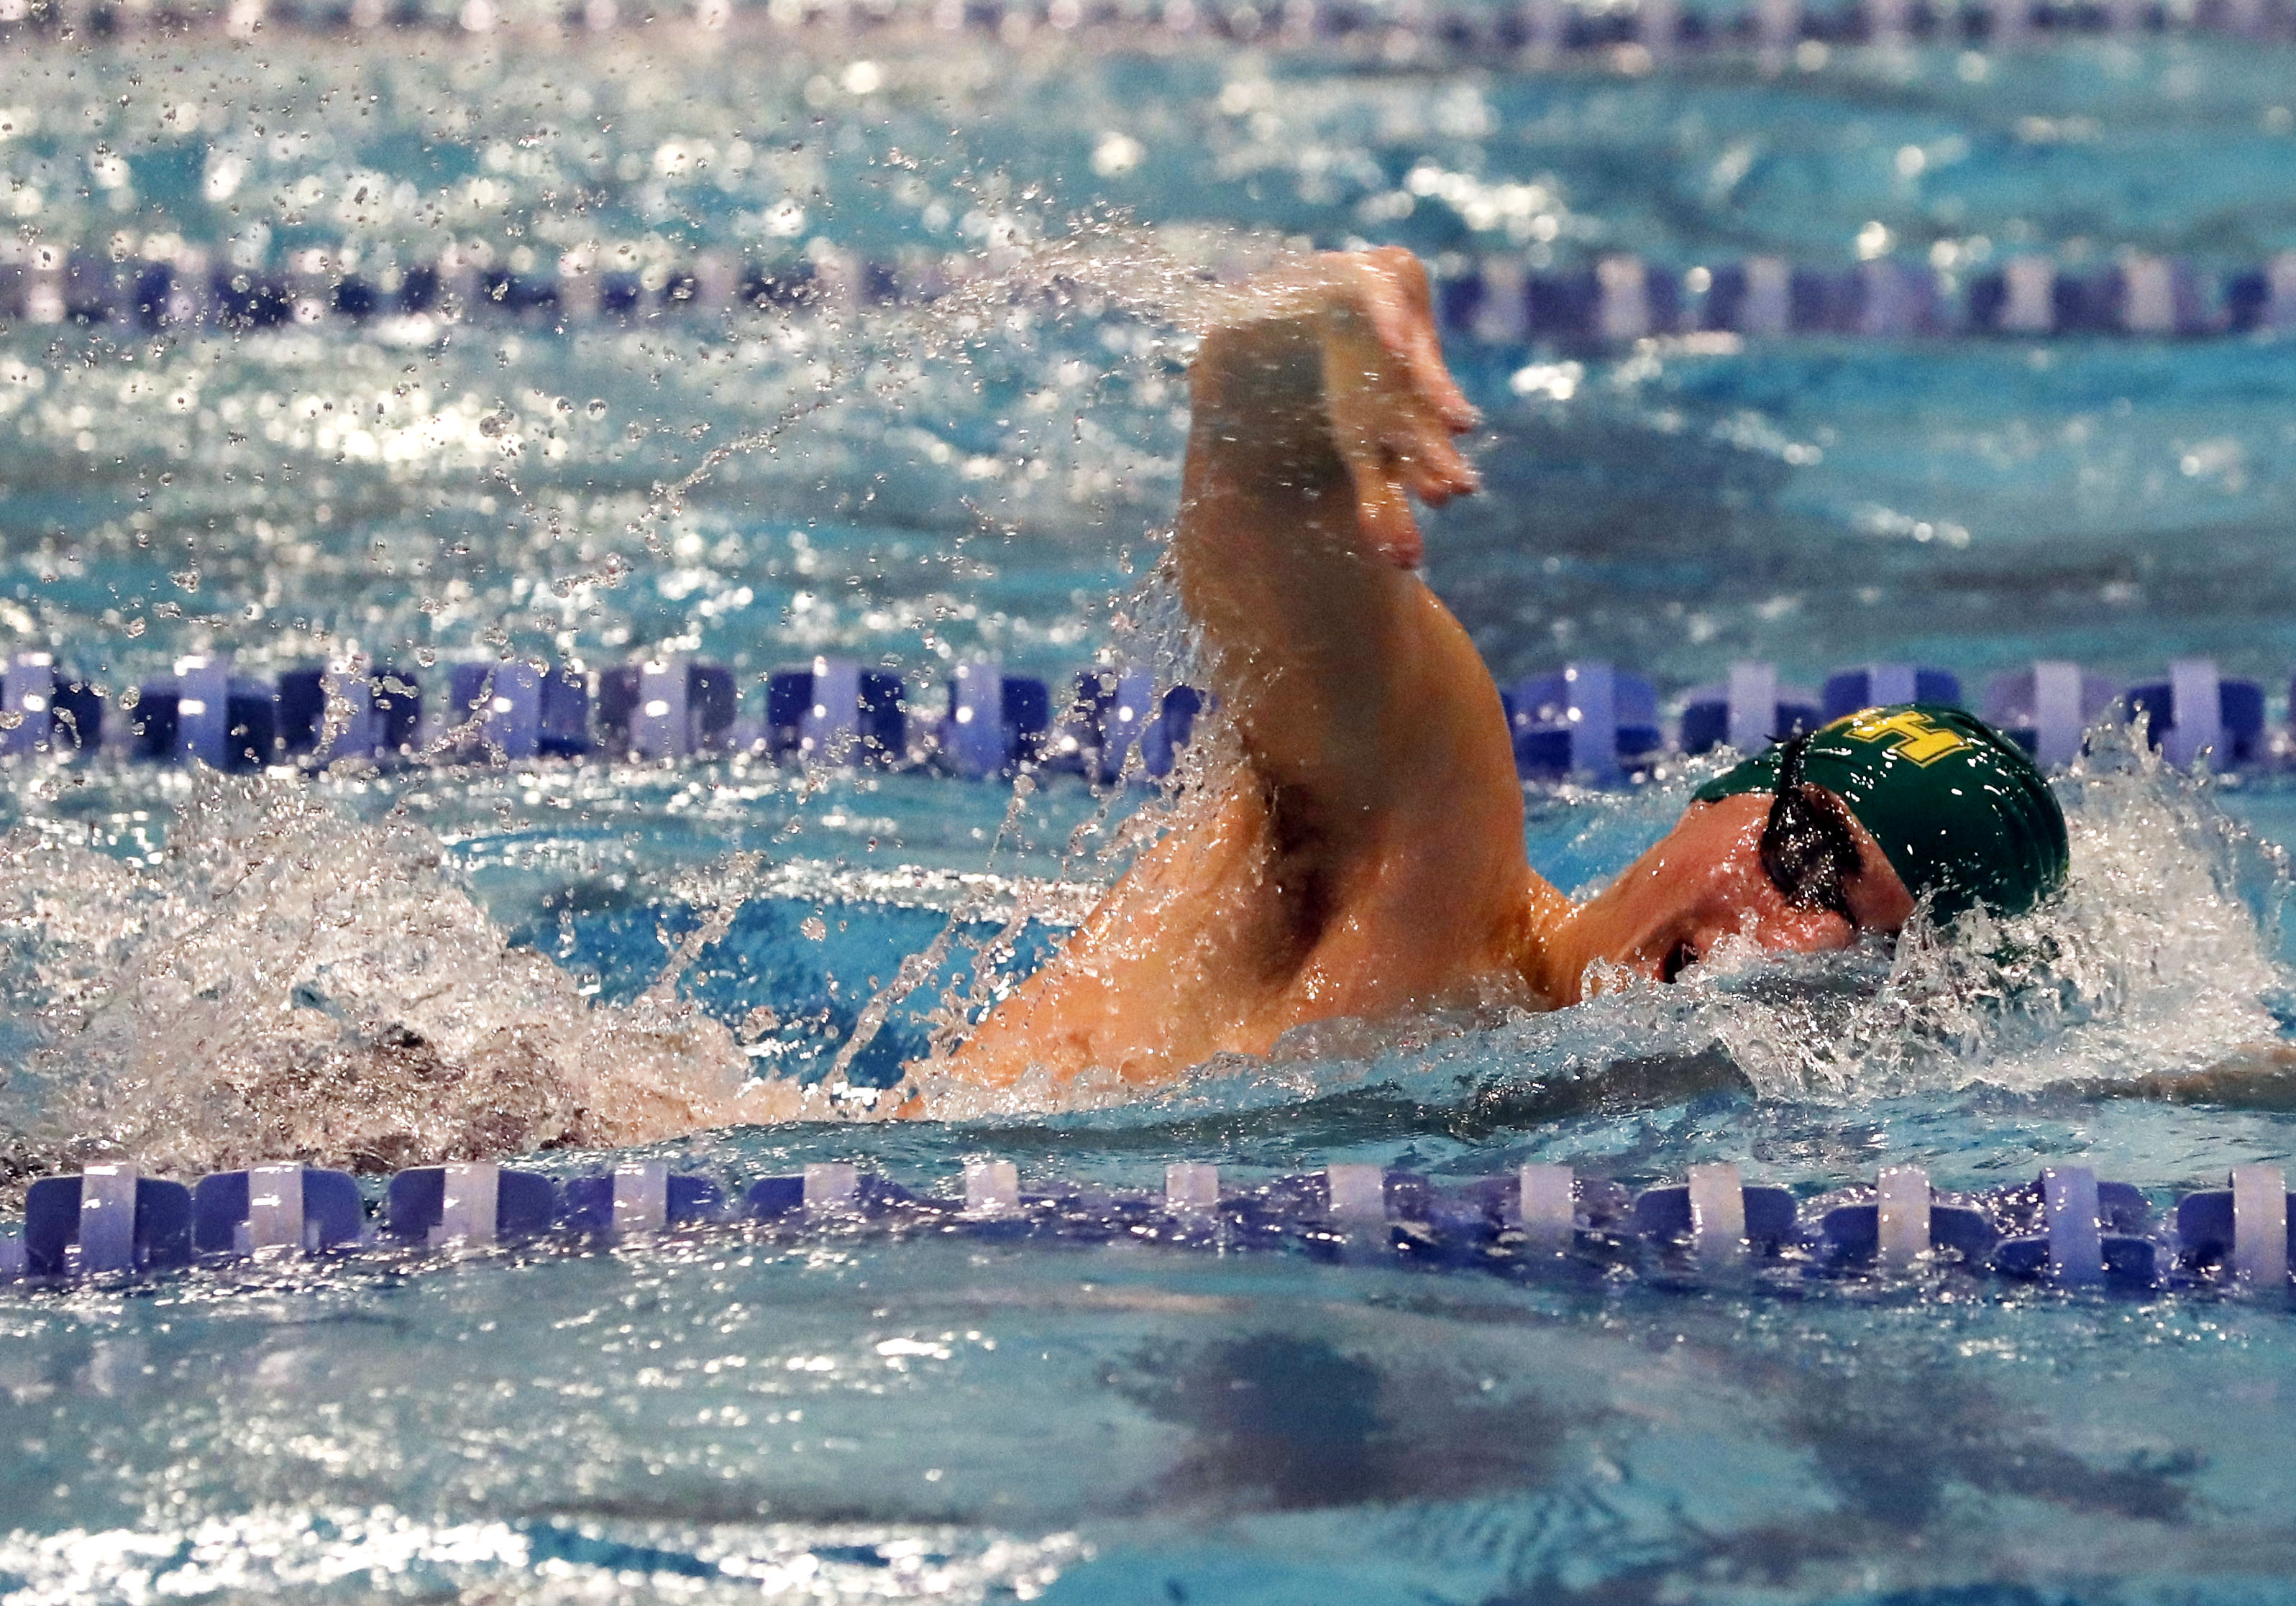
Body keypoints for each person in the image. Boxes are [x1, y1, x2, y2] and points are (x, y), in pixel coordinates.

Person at [929, 249, 2068, 1095]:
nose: (1807, 942)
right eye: (1807, 854)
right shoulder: (1424, 855)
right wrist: (1299, 360)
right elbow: (1268, 545)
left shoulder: (1560, 1086)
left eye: (1877, 947)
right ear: (1718, 791)